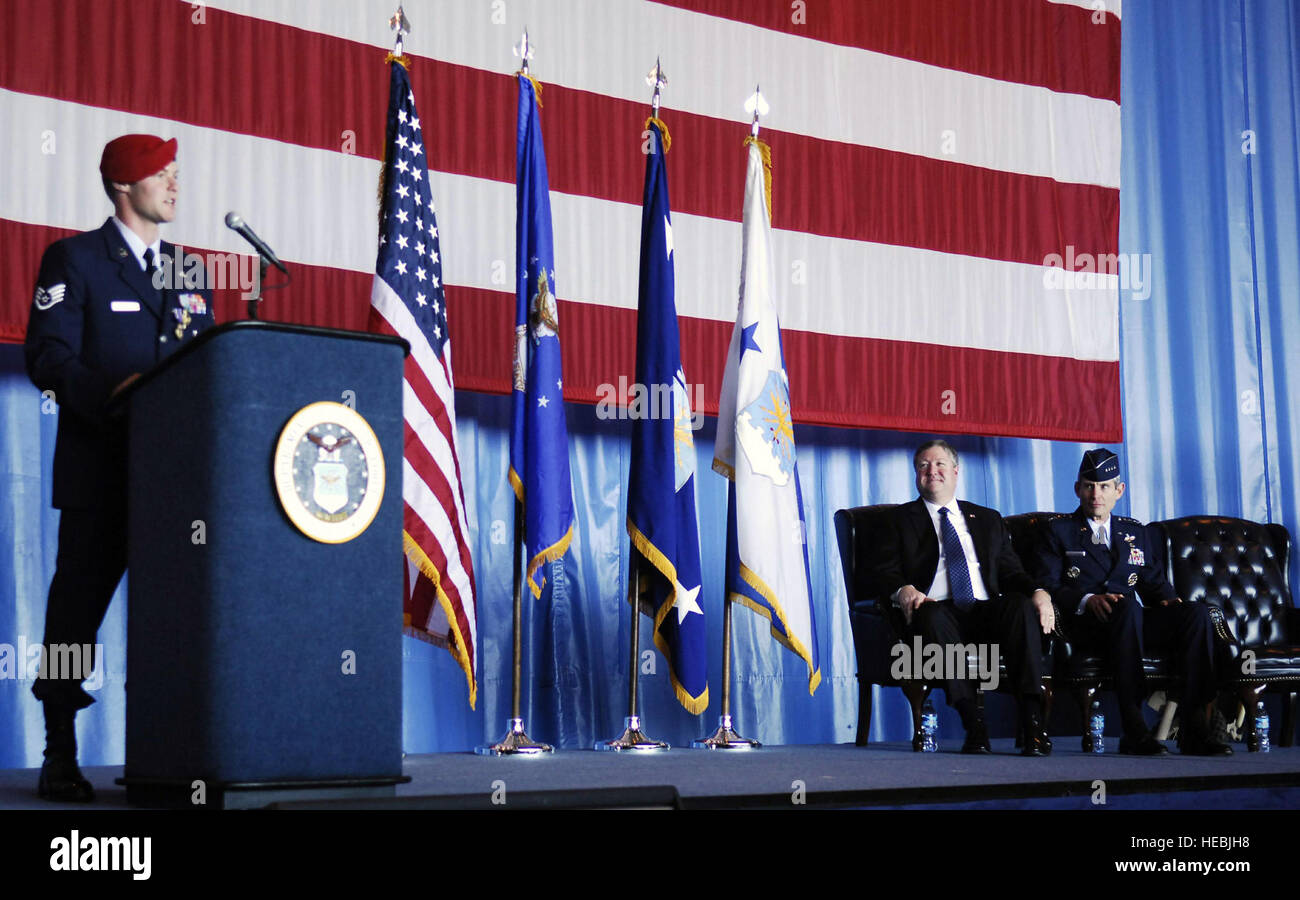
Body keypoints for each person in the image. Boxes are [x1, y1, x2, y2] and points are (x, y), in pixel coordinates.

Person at [24, 134, 215, 800]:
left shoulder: (189, 271)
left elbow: (208, 363)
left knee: (180, 623)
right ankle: (58, 753)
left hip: (176, 482)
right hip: (100, 471)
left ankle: (169, 756)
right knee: (75, 617)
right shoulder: (75, 260)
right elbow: (49, 357)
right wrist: (111, 395)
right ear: (123, 186)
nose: (174, 184)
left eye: (174, 173)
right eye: (160, 174)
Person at [1036, 448, 1231, 756]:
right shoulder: (1059, 531)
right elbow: (1047, 584)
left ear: (1119, 490)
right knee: (1127, 607)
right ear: (1077, 489)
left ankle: (1195, 726)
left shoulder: (1134, 533)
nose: (1095, 494)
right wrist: (1087, 599)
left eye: (1104, 487)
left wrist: (1171, 603)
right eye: (1088, 486)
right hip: (1085, 625)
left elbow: (1154, 584)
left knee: (1196, 614)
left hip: (1130, 623)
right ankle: (1134, 726)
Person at [872, 440, 1055, 755]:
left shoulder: (987, 518)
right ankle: (974, 724)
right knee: (931, 616)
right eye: (924, 465)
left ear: (955, 472)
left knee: (1020, 606)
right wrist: (904, 589)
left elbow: (1012, 573)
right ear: (916, 474)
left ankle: (1032, 723)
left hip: (986, 610)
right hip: (936, 610)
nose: (933, 471)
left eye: (940, 464)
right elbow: (884, 570)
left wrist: (1039, 593)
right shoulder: (897, 519)